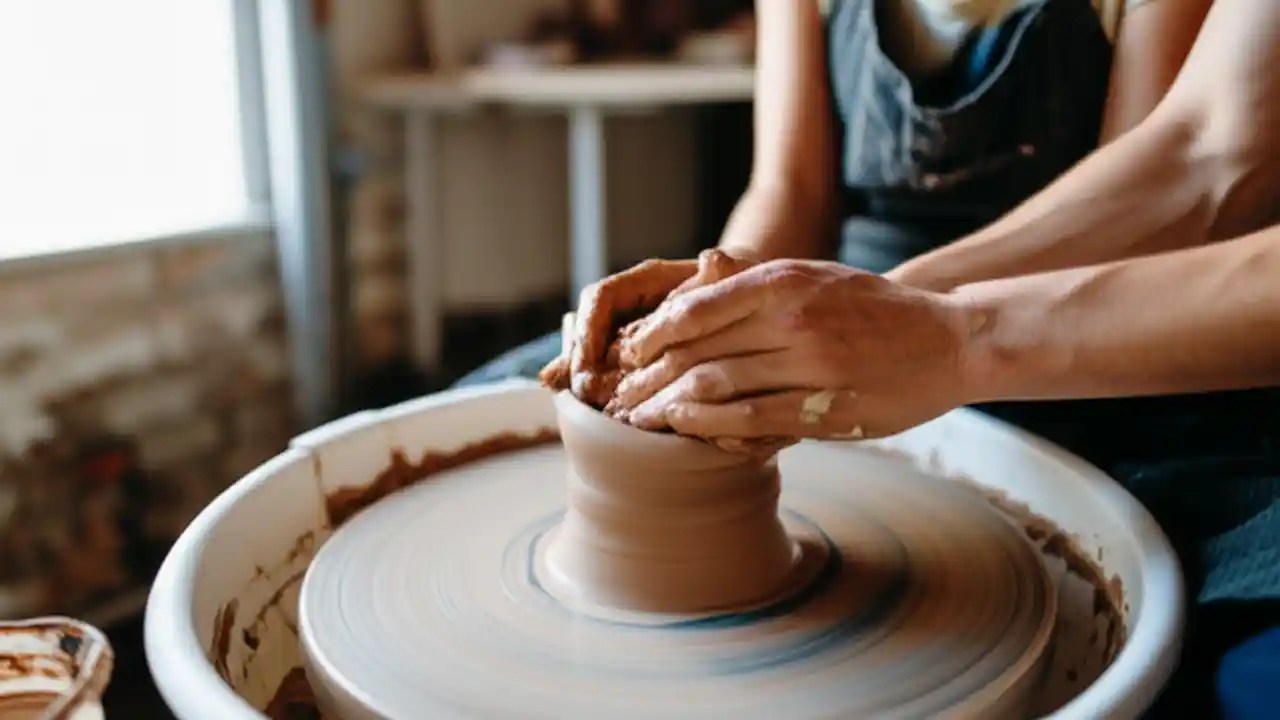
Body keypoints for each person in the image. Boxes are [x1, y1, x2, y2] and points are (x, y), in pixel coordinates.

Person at [558, 0, 1280, 716]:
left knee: (1234, 680)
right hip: (901, 305)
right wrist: (736, 306)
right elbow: (788, 190)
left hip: (1098, 323)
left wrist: (933, 328)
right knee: (529, 381)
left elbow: (1200, 183)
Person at [458, 0, 1210, 385]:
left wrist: (904, 311)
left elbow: (1147, 209)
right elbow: (792, 191)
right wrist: (729, 279)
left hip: (1066, 322)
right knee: (510, 398)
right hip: (842, 297)